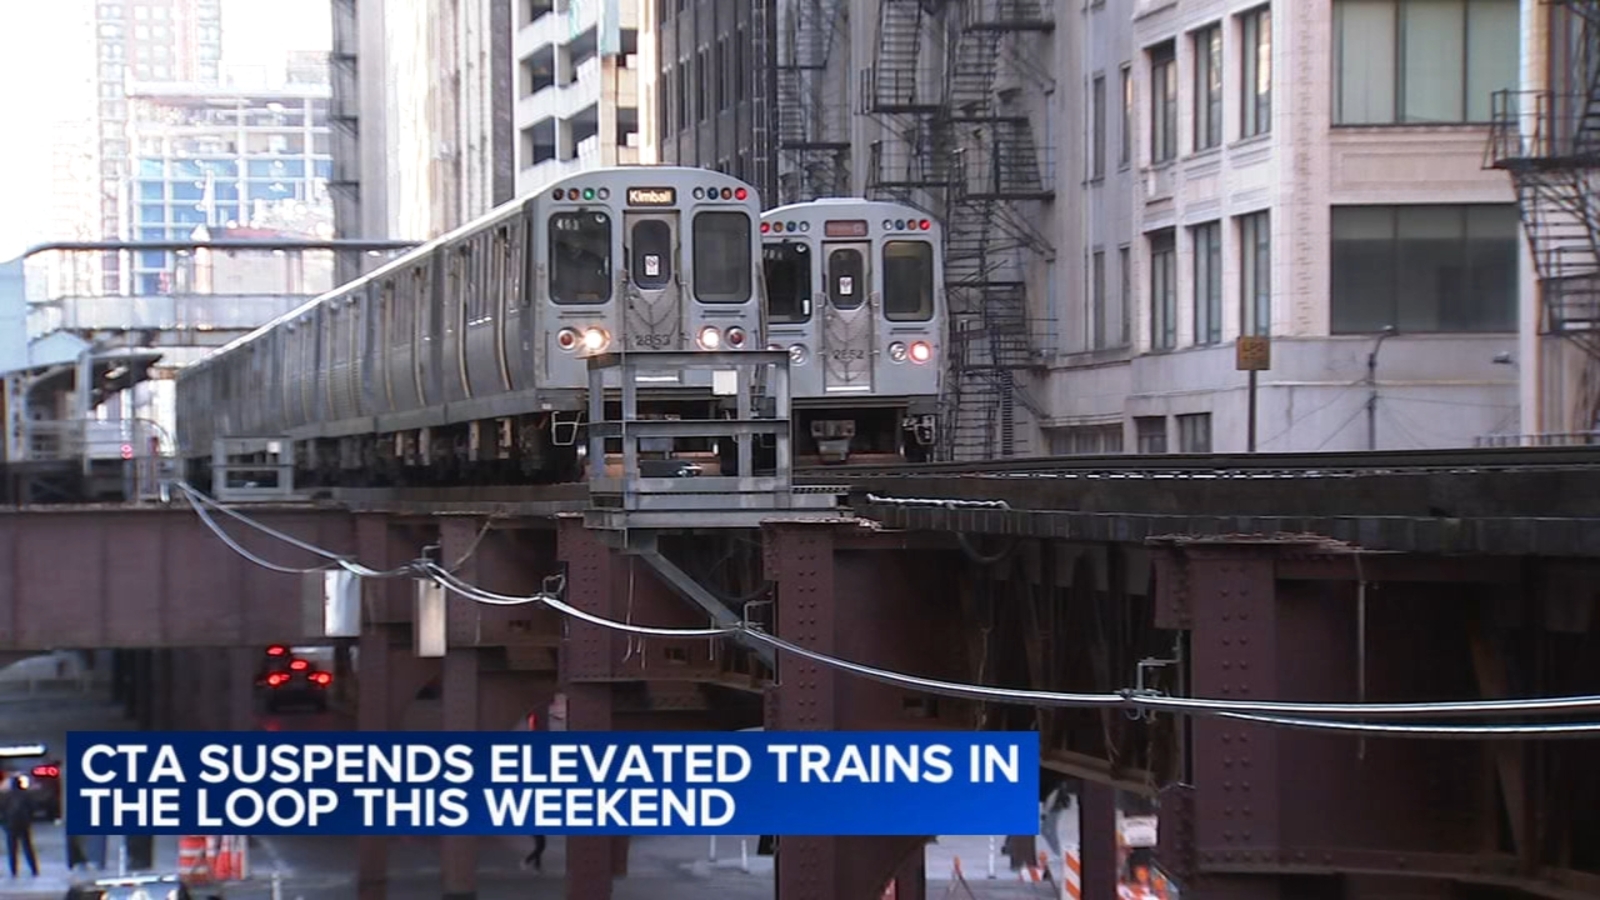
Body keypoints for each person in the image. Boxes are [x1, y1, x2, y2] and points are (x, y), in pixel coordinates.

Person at [1, 776, 39, 878]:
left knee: (12, 849)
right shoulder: (26, 795)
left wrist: (4, 824)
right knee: (28, 847)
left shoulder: (6, 796)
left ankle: (14, 870)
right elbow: (33, 808)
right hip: (24, 824)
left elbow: (2, 811)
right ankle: (34, 869)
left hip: (11, 825)